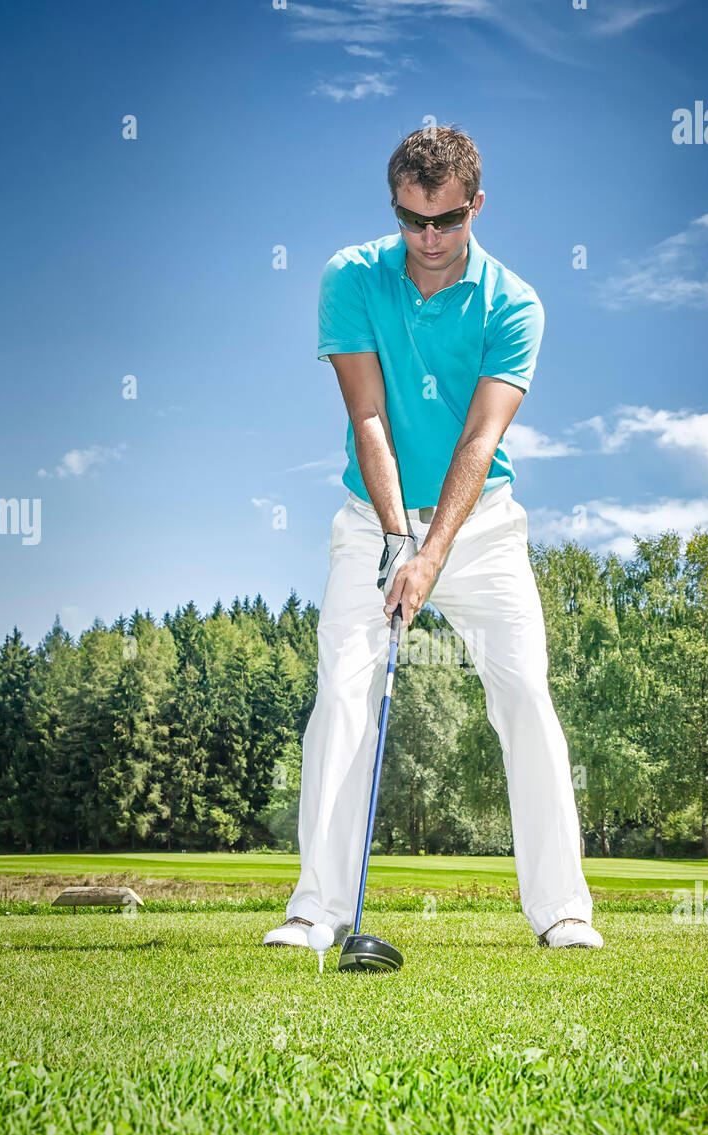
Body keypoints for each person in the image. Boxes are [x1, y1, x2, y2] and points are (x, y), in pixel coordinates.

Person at [265, 125, 600, 951]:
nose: (429, 241)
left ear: (475, 205)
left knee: (524, 696)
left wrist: (430, 551)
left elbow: (479, 442)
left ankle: (562, 912)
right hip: (370, 518)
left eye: (446, 221)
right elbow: (367, 413)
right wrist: (392, 538)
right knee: (343, 697)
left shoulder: (514, 302)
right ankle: (316, 913)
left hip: (479, 526)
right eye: (412, 221)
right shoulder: (350, 277)